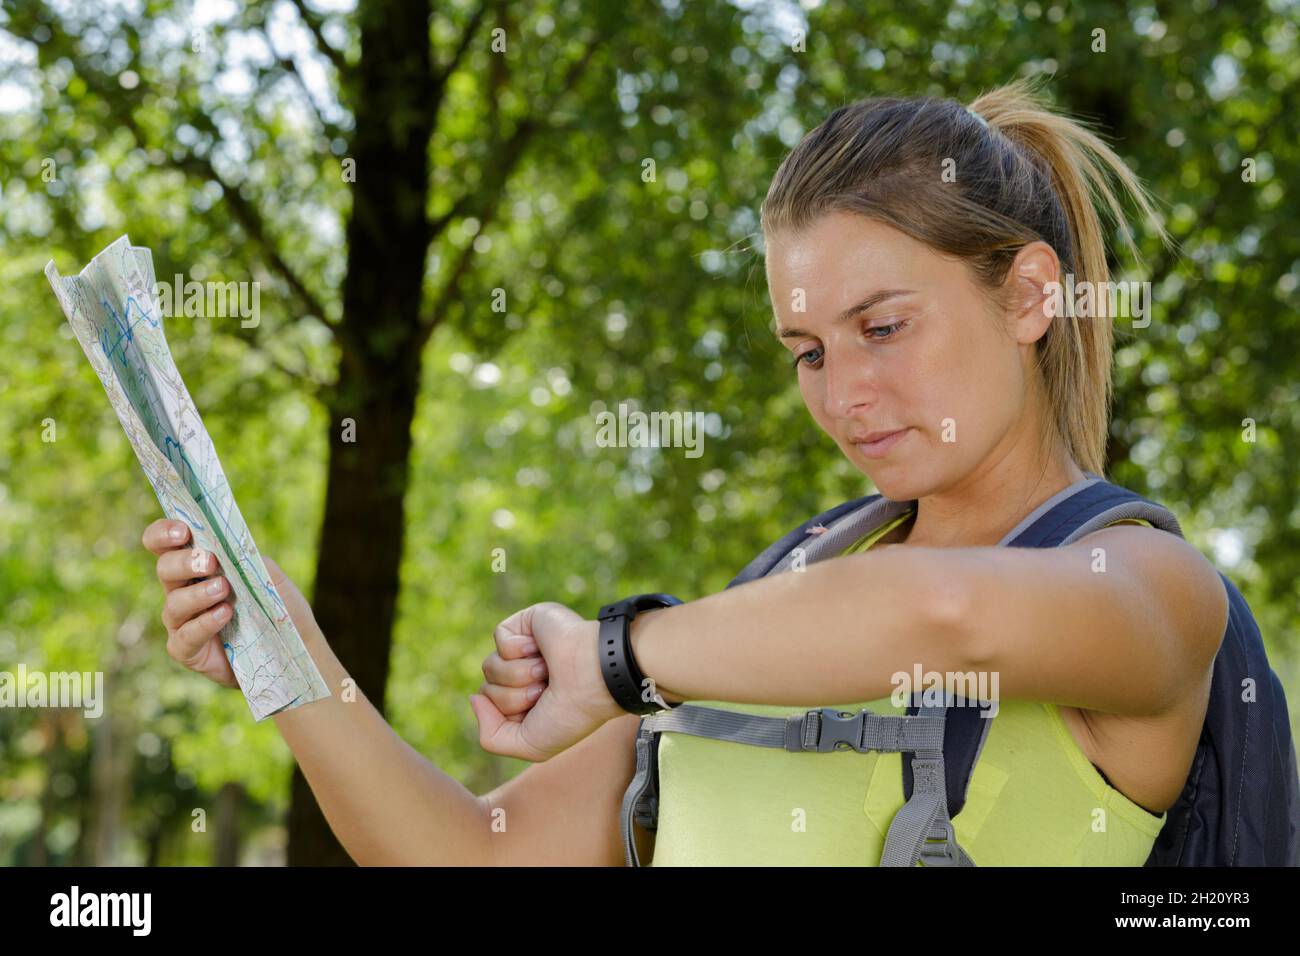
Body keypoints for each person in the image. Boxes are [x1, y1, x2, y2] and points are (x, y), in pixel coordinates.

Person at [141, 79, 1235, 865]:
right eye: (806, 350)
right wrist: (283, 649)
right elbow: (468, 850)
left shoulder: (1150, 587)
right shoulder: (785, 592)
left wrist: (616, 655)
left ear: (1031, 294)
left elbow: (946, 614)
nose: (841, 392)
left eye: (883, 325)